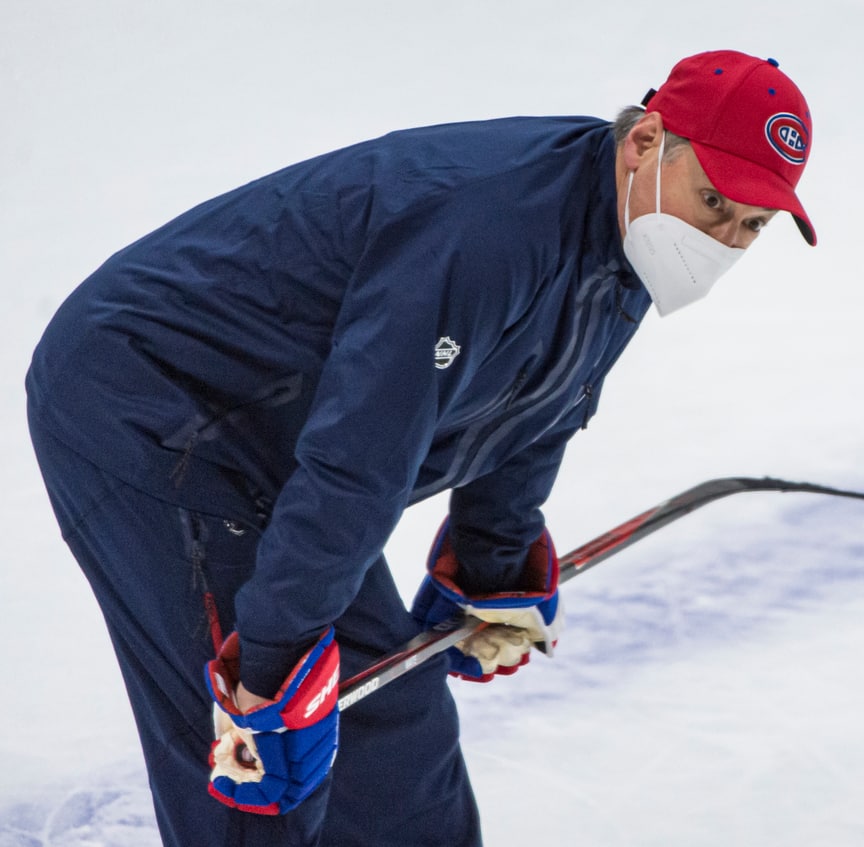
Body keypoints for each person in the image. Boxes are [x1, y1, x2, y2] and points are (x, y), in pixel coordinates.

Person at [25, 49, 816, 846]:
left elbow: (542, 401)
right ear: (647, 142)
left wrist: (492, 561)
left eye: (753, 224)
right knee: (262, 766)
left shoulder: (632, 230)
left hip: (279, 435)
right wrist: (266, 668)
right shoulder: (487, 230)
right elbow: (361, 458)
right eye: (716, 201)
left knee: (392, 723)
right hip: (151, 406)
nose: (724, 239)